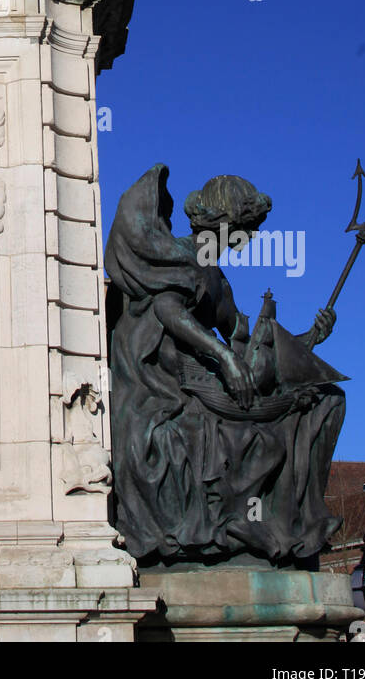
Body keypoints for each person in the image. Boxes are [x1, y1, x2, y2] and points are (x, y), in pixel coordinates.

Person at [105, 165, 345, 567]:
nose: (251, 237)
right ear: (226, 224)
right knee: (249, 438)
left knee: (325, 399)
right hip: (162, 391)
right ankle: (244, 528)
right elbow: (168, 310)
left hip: (203, 386)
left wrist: (308, 339)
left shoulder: (218, 280)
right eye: (248, 227)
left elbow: (247, 342)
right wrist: (224, 357)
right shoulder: (178, 256)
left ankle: (294, 529)